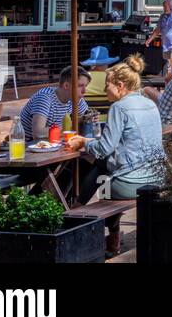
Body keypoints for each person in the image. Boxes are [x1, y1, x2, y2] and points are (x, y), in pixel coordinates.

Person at [65, 55, 163, 230]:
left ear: (120, 86)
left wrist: (83, 144)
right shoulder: (150, 104)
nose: (104, 89)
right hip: (158, 176)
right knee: (103, 166)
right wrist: (88, 141)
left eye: (107, 84)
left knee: (102, 172)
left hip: (131, 184)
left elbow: (104, 148)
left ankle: (79, 212)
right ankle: (107, 233)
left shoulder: (119, 107)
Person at [20, 65, 95, 139]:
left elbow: (85, 118)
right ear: (66, 85)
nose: (84, 91)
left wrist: (89, 118)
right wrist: (76, 122)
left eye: (85, 86)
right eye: (80, 86)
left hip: (54, 143)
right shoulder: (45, 97)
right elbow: (38, 133)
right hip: (28, 146)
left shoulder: (76, 98)